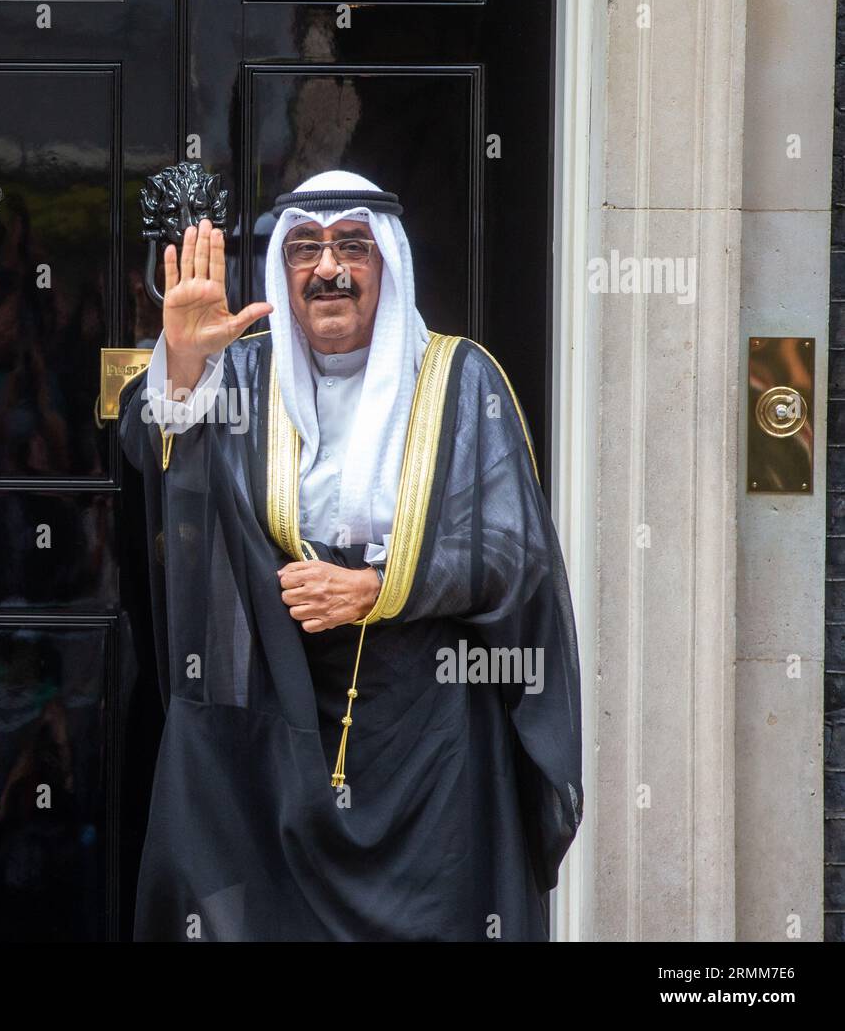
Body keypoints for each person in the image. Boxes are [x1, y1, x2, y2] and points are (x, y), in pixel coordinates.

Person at [120, 169, 583, 941]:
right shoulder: (241, 370)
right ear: (283, 270)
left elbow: (514, 553)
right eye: (305, 248)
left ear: (387, 265)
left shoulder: (461, 380)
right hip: (276, 721)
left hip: (428, 733)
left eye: (351, 248)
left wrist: (381, 588)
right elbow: (147, 449)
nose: (327, 268)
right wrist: (180, 362)